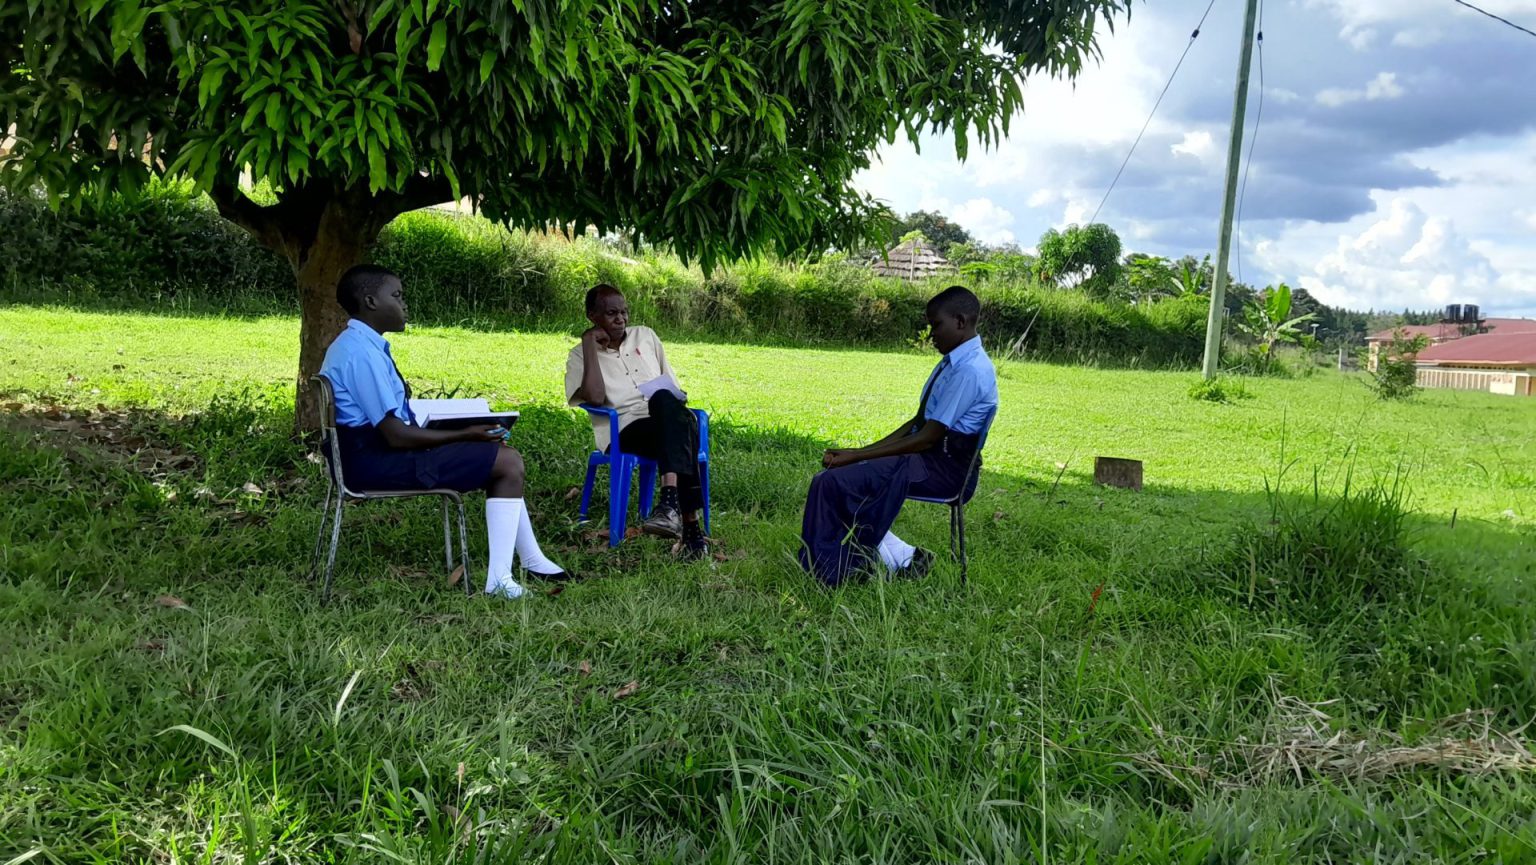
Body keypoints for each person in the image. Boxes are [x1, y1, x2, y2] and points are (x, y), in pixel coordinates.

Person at [319, 264, 573, 599]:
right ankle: (500, 579)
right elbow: (395, 435)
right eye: (396, 295)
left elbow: (390, 418)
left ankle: (531, 558)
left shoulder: (357, 344)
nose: (404, 304)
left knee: (504, 457)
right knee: (507, 462)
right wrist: (466, 433)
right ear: (370, 301)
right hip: (373, 462)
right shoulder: (360, 355)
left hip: (369, 453)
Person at [799, 285, 998, 586]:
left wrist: (858, 457)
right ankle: (902, 558)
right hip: (924, 458)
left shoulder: (969, 370)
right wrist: (858, 451)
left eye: (936, 325)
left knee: (832, 482)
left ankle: (837, 571)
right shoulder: (953, 362)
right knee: (836, 478)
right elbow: (917, 424)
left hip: (943, 470)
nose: (931, 335)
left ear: (960, 321)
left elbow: (928, 437)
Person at [565, 284, 708, 560]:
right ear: (592, 316)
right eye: (611, 314)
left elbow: (678, 393)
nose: (620, 319)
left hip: (665, 418)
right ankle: (690, 529)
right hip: (625, 429)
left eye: (624, 312)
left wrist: (666, 401)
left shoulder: (646, 336)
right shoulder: (579, 355)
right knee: (682, 431)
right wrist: (588, 344)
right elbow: (594, 397)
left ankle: (669, 505)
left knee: (666, 401)